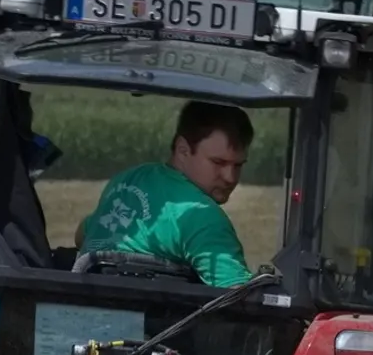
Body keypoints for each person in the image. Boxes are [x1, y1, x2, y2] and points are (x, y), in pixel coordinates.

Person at [77, 101, 254, 287]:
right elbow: (239, 297)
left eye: (238, 165)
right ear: (182, 150)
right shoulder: (200, 214)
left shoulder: (128, 179)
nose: (230, 178)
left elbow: (82, 235)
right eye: (218, 162)